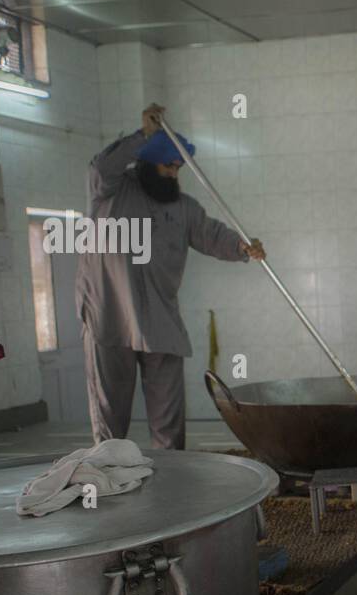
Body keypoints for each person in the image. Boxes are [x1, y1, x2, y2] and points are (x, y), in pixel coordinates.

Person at [76, 103, 266, 450]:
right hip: (109, 316)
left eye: (178, 167)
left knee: (168, 420)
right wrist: (144, 134)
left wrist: (242, 247)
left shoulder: (183, 207)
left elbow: (212, 235)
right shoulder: (110, 191)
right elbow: (102, 165)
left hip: (159, 319)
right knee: (109, 416)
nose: (174, 174)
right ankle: (108, 474)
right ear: (147, 162)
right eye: (168, 165)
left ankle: (173, 483)